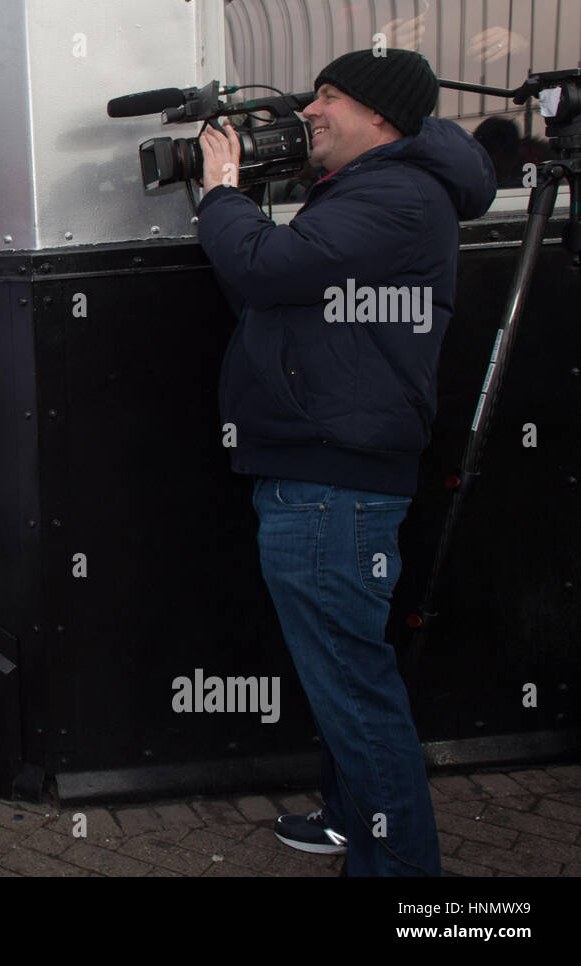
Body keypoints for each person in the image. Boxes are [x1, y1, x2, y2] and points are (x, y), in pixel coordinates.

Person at [196, 49, 495, 875]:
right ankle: (348, 820)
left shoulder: (395, 194)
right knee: (340, 676)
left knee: (355, 693)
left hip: (334, 484)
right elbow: (282, 293)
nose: (313, 111)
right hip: (324, 470)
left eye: (331, 97)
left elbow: (264, 268)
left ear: (382, 120)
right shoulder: (367, 189)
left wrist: (223, 194)